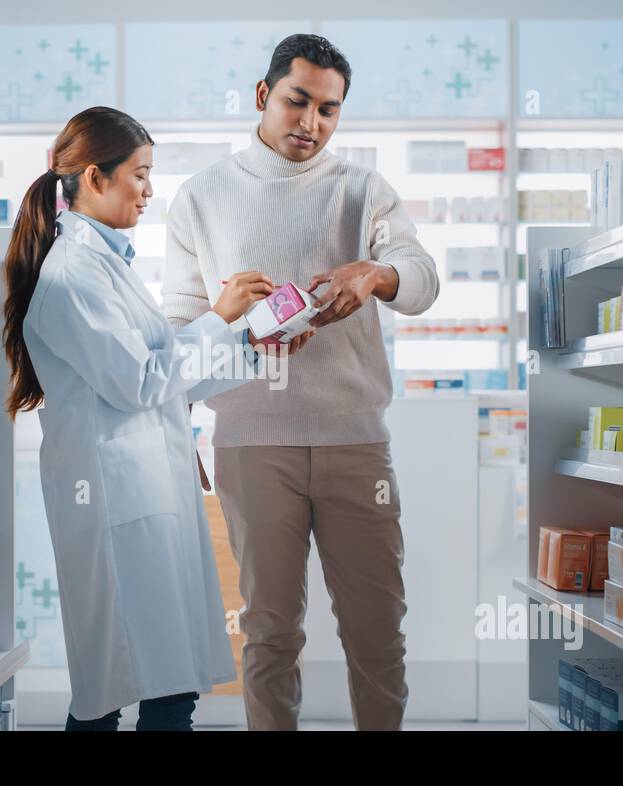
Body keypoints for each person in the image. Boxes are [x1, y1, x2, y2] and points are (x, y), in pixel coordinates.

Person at [163, 34, 439, 731]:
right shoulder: (200, 198)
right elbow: (177, 337)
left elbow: (422, 276)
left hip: (355, 442)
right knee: (269, 633)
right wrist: (228, 323)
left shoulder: (363, 190)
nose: (311, 123)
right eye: (297, 101)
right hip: (253, 444)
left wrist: (376, 273)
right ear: (263, 96)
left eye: (329, 109)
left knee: (377, 631)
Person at [2, 106, 275, 731]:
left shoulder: (107, 268)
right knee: (117, 693)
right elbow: (141, 381)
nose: (150, 191)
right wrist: (220, 315)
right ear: (95, 177)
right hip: (114, 505)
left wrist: (255, 345)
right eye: (141, 174)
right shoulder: (72, 276)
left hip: (145, 496)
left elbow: (163, 378)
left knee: (162, 687)